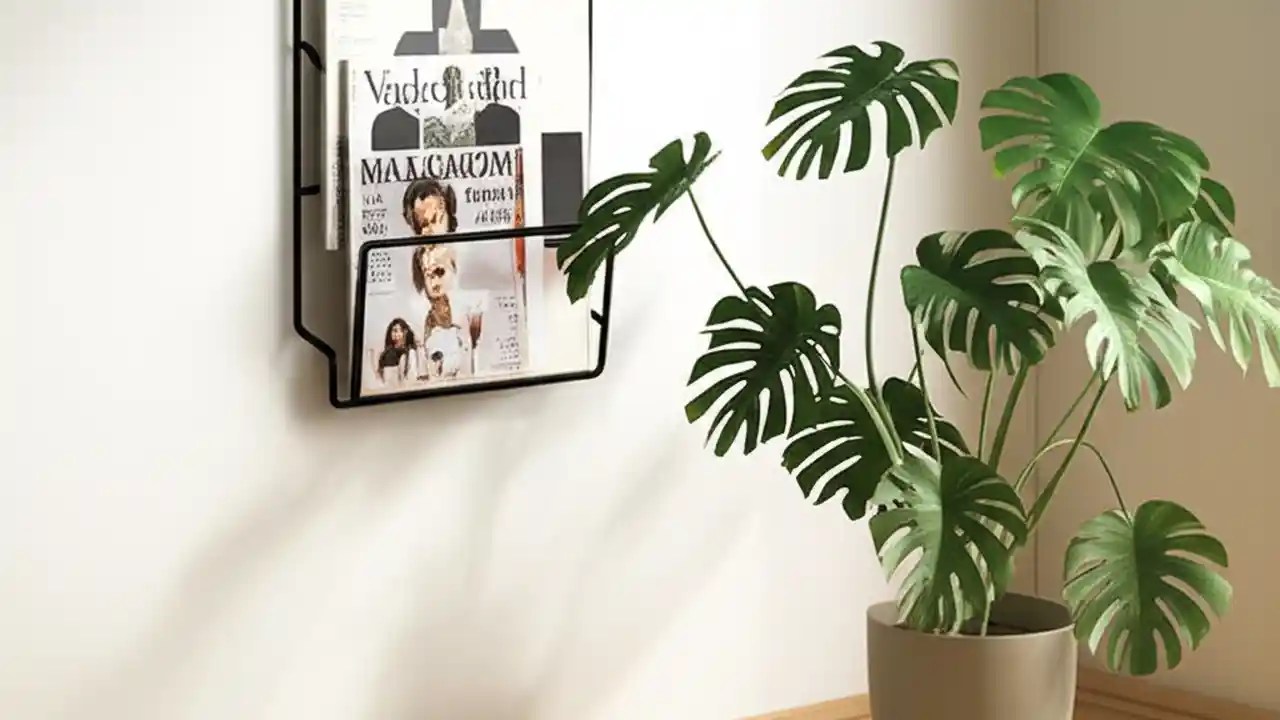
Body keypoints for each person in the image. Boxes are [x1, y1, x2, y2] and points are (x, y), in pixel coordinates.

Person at [372, 318, 418, 385]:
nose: (393, 334)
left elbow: (412, 376)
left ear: (404, 332)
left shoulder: (410, 352)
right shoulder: (387, 352)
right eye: (392, 331)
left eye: (396, 331)